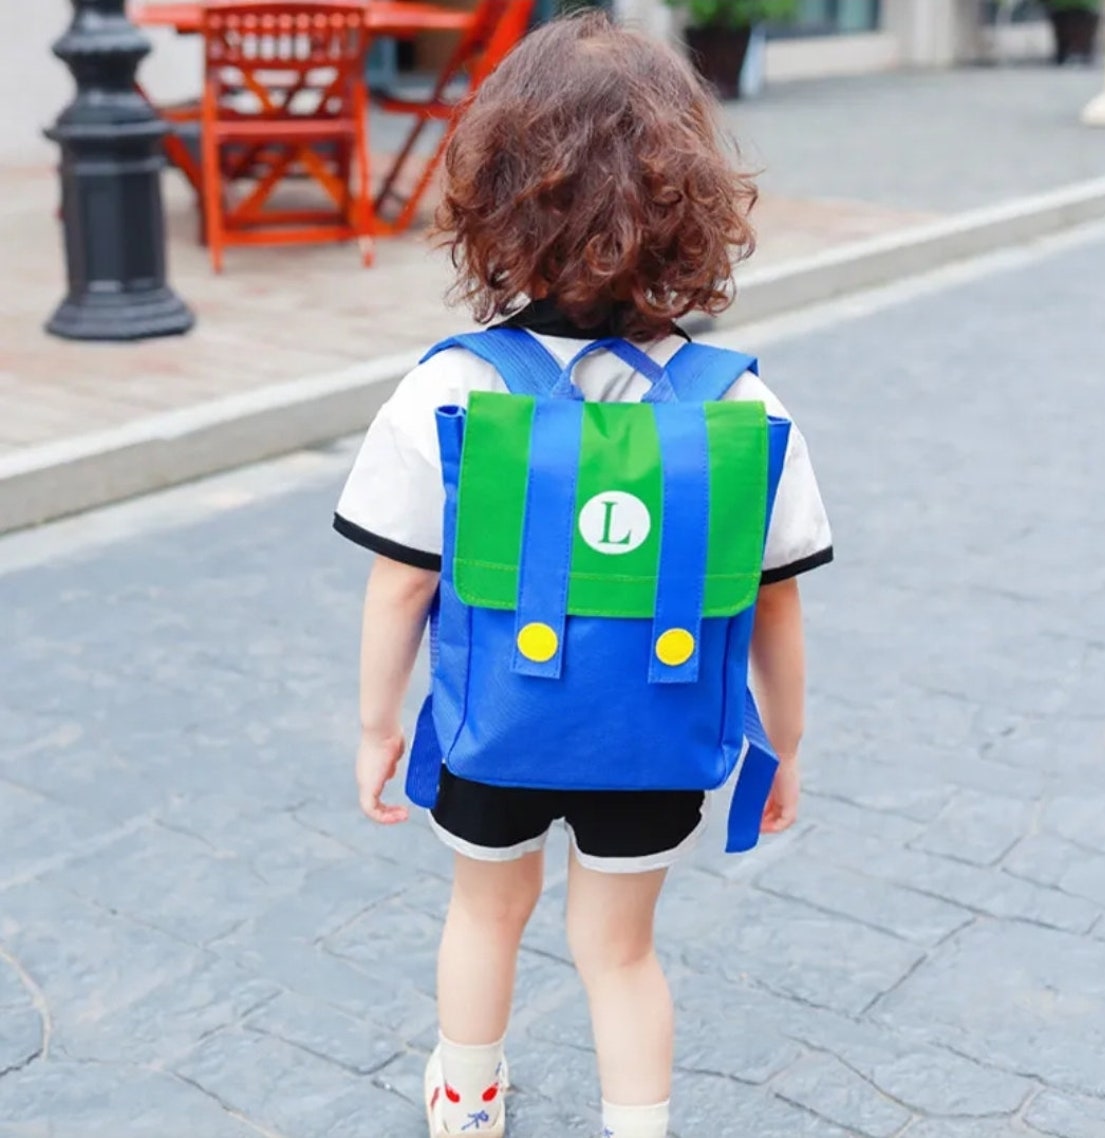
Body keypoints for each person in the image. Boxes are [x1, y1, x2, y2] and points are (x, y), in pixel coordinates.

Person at [333, 13, 832, 1138]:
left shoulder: (453, 388)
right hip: (653, 738)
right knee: (620, 948)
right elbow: (776, 602)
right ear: (693, 201)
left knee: (486, 907)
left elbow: (401, 584)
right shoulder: (742, 404)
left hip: (494, 724)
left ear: (495, 193)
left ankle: (467, 1101)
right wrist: (782, 743)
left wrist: (377, 724)